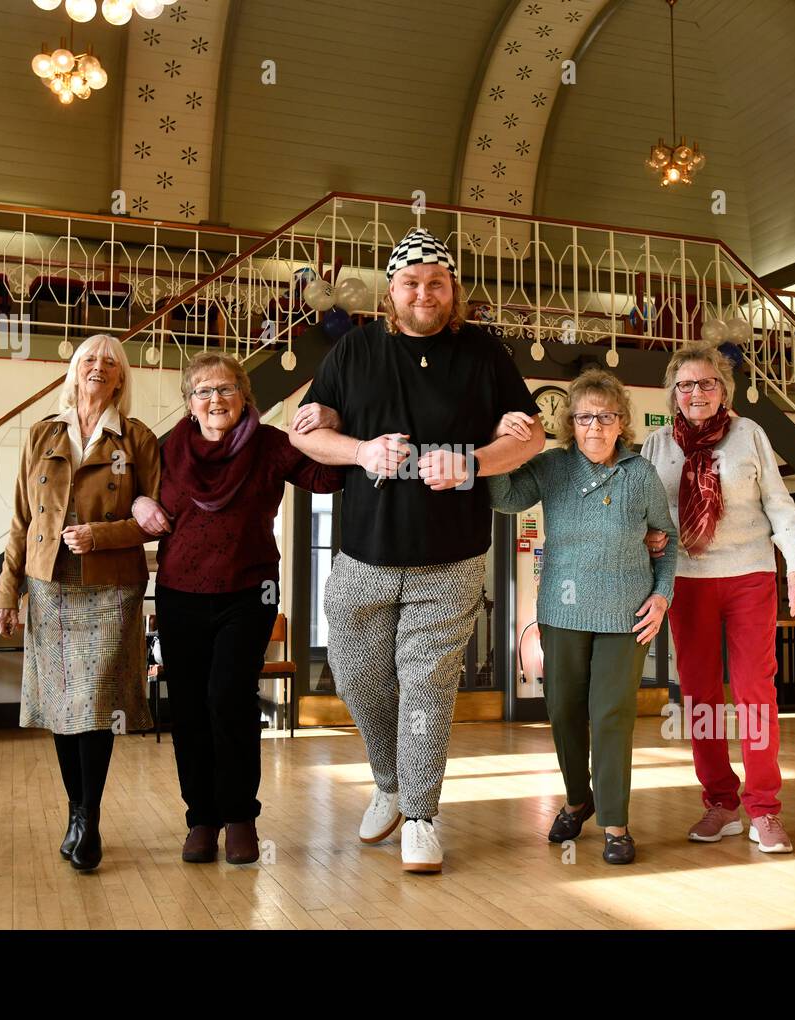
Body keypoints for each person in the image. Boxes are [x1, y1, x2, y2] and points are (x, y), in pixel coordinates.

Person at [289, 227, 545, 873]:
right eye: (411, 282)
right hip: (363, 556)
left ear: (452, 289)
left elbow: (529, 438)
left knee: (427, 689)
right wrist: (361, 451)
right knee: (360, 682)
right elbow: (308, 436)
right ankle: (390, 784)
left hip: (450, 558)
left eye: (437, 282)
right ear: (391, 291)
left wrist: (474, 463)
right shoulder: (353, 351)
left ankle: (424, 817)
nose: (424, 293)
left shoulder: (483, 352)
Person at [131, 353, 342, 865]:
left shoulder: (270, 444)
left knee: (229, 699)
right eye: (202, 391)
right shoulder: (166, 451)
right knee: (188, 707)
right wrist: (139, 501)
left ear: (244, 396)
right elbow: (127, 495)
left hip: (250, 592)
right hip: (179, 592)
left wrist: (335, 423)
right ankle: (201, 819)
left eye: (226, 389)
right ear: (188, 403)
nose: (215, 399)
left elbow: (328, 479)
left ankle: (240, 816)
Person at [488, 369, 678, 864]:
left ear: (622, 423)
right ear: (572, 422)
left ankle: (616, 823)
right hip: (561, 612)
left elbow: (667, 538)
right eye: (585, 416)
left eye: (606, 416)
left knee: (611, 715)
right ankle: (578, 799)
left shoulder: (640, 474)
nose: (595, 426)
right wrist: (500, 443)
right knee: (564, 711)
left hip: (628, 615)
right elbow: (506, 499)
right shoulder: (553, 466)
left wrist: (662, 597)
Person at [0, 334, 160, 872]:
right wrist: (6, 591)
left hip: (112, 588)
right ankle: (79, 814)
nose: (99, 366)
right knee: (62, 709)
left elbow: (157, 522)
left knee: (94, 708)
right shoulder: (42, 434)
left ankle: (88, 816)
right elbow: (22, 520)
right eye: (89, 359)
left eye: (110, 362)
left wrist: (100, 536)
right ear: (74, 372)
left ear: (121, 379)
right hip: (50, 586)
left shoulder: (136, 439)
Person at [641, 341, 795, 854]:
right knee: (699, 695)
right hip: (686, 580)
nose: (697, 392)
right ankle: (720, 802)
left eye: (707, 383)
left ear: (723, 390)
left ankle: (764, 808)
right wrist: (649, 538)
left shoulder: (749, 435)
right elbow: (645, 510)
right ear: (674, 393)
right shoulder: (656, 445)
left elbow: (780, 506)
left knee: (756, 691)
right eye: (687, 384)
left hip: (748, 575)